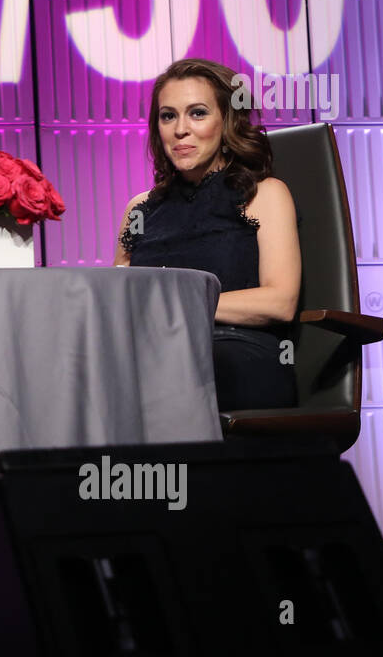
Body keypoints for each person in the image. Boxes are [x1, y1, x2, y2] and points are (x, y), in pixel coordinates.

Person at [114, 58, 301, 411]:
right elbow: (118, 299)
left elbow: (281, 302)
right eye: (168, 116)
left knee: (163, 371)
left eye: (197, 113)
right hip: (153, 347)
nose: (180, 129)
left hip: (236, 351)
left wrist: (177, 305)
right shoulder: (139, 209)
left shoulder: (264, 194)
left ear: (227, 121)